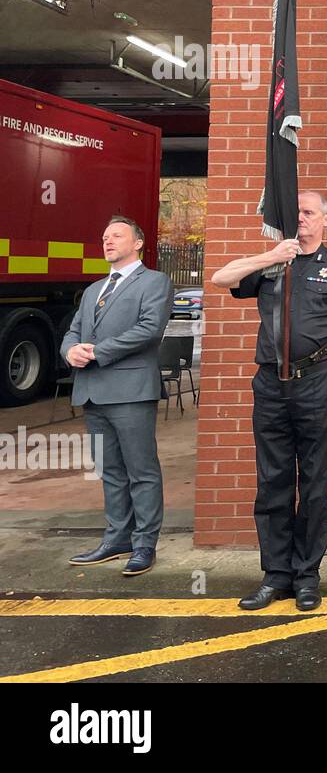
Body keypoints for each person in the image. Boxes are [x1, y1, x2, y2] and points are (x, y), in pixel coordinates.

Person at [211, 190, 327, 611]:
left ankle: (307, 576)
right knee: (273, 482)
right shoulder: (271, 263)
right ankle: (276, 575)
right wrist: (268, 257)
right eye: (295, 212)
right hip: (270, 384)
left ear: (326, 219)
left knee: (315, 484)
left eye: (308, 212)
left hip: (318, 381)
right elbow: (220, 279)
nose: (300, 218)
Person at [61, 216, 175, 577]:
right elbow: (73, 330)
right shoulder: (94, 289)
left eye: (116, 236)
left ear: (138, 243)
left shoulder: (155, 282)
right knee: (110, 472)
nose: (107, 241)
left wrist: (96, 351)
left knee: (141, 471)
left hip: (130, 391)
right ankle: (117, 539)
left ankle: (144, 544)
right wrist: (70, 351)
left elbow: (148, 329)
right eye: (104, 236)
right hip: (93, 392)